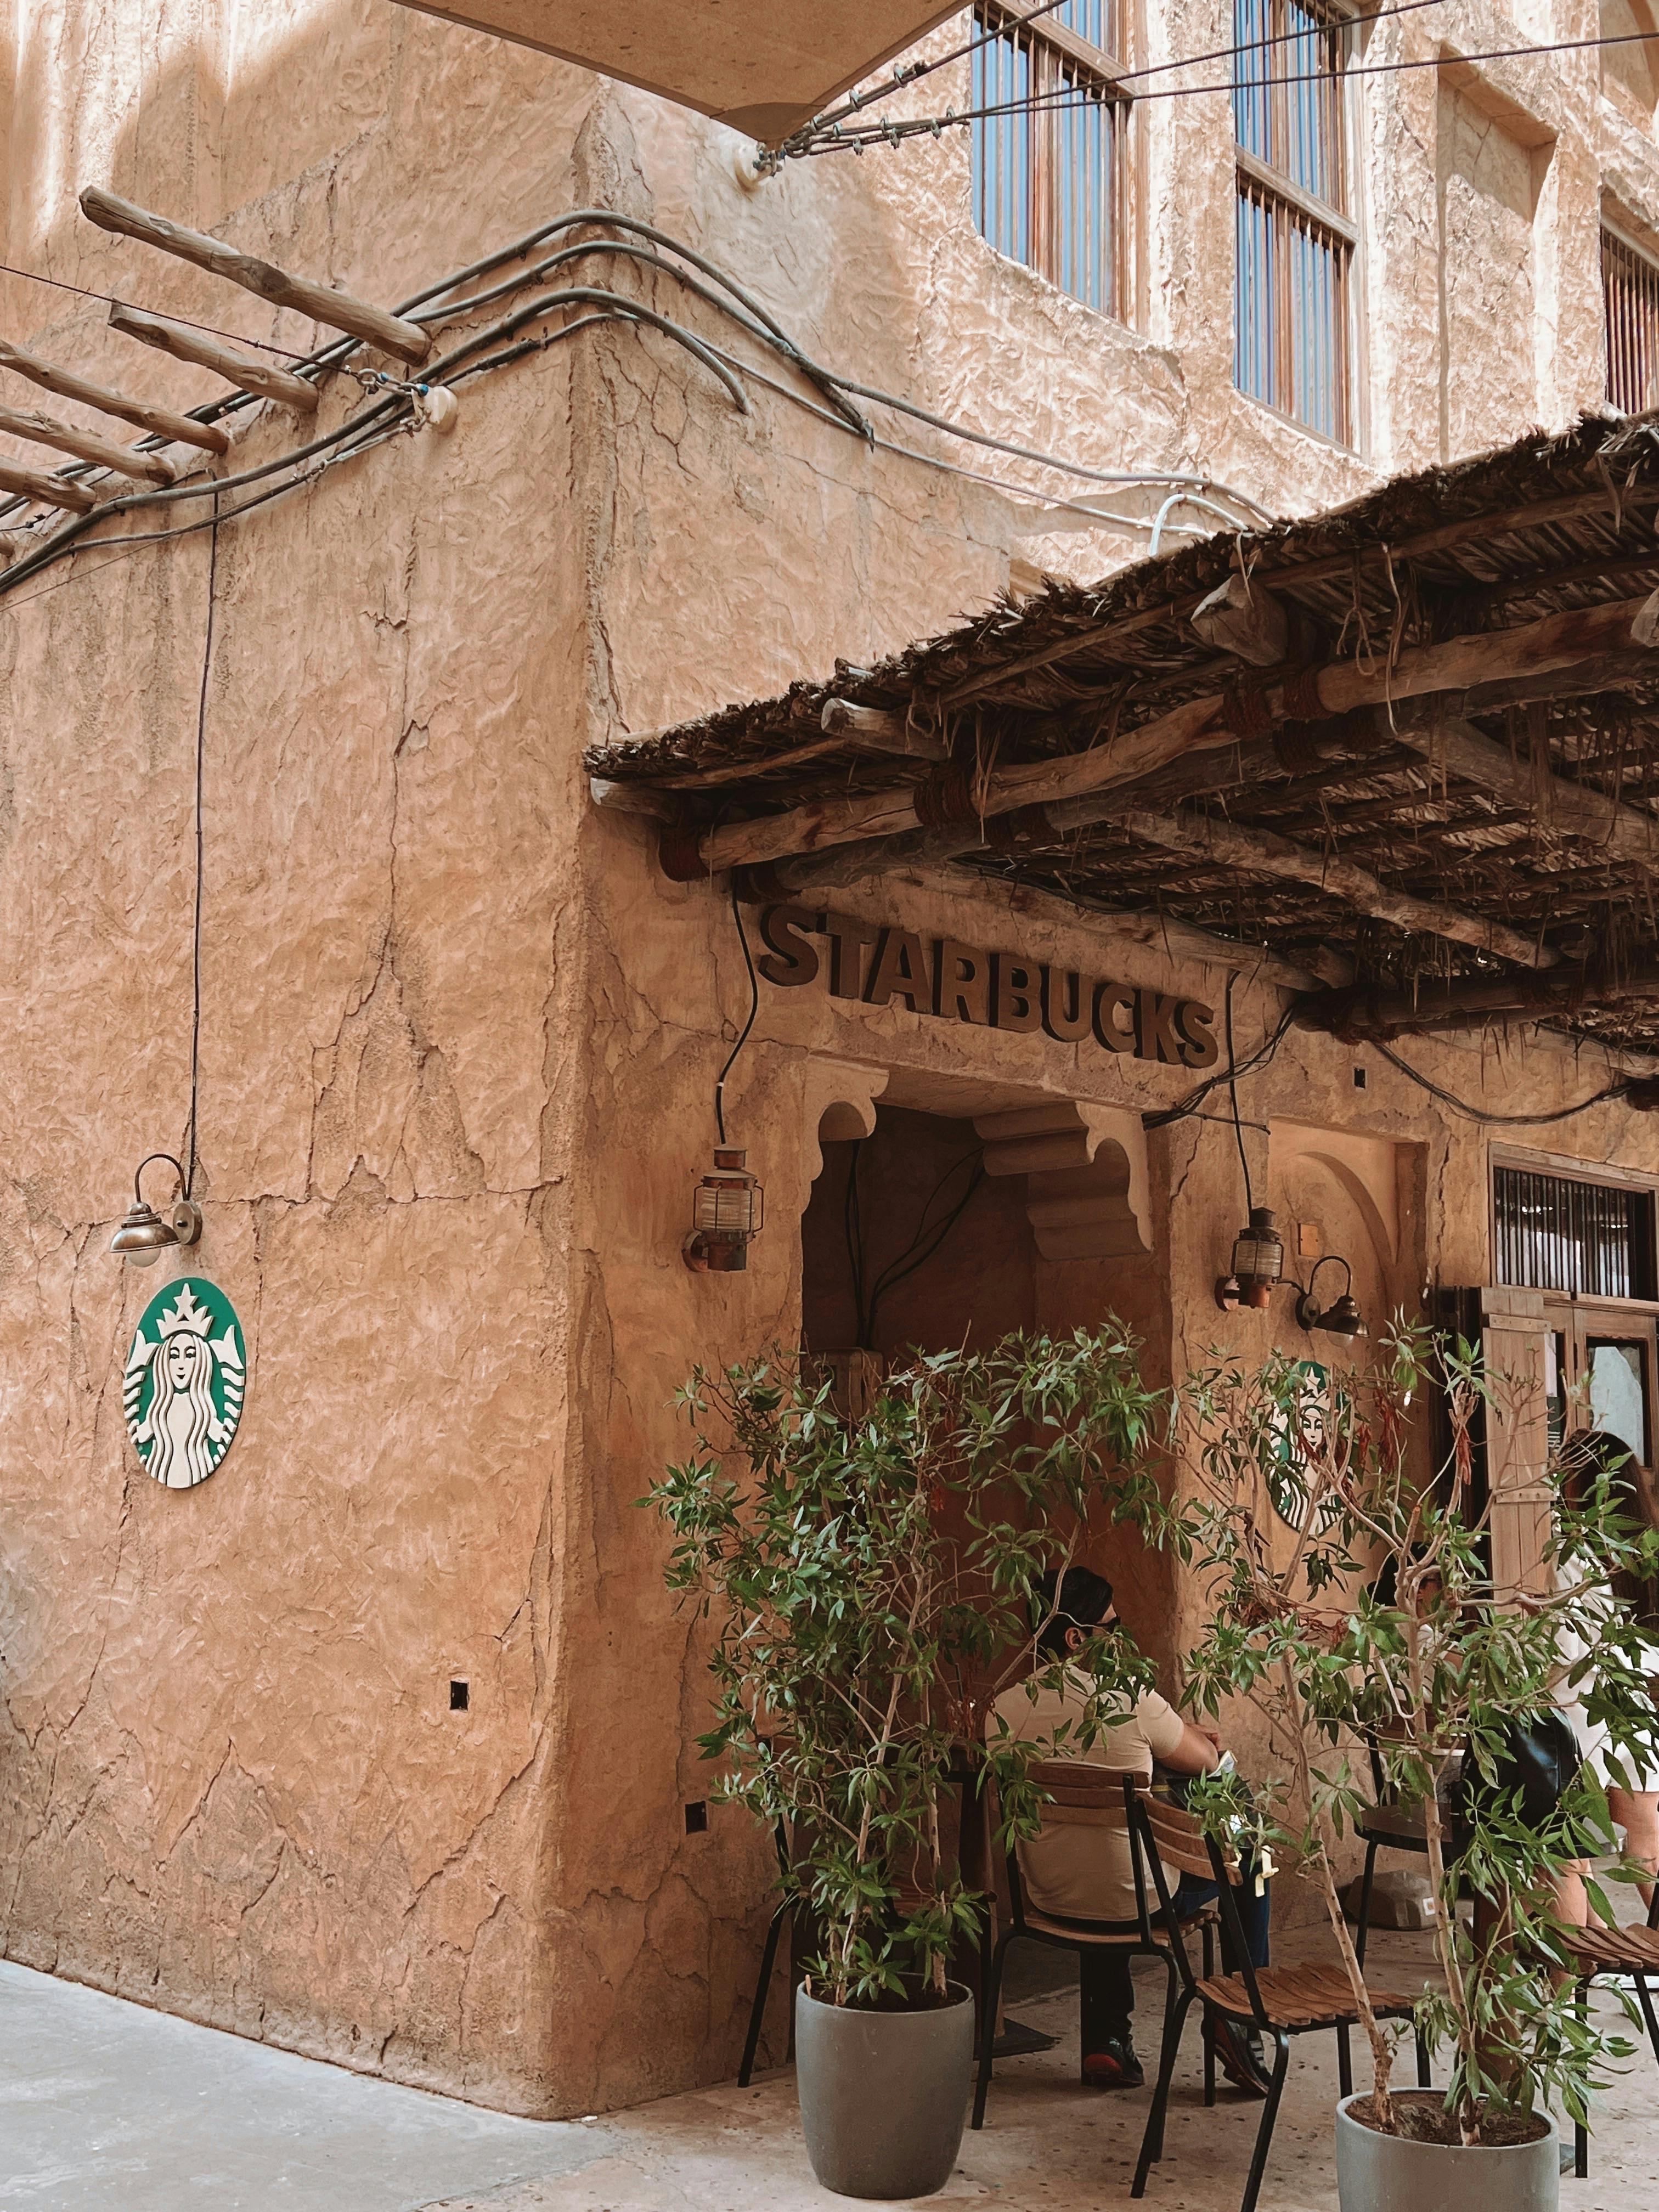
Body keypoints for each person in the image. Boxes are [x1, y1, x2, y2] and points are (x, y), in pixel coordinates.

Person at [991, 1565, 1274, 2095]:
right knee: (1253, 1856)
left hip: (1048, 1896)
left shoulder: (1003, 1713)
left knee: (1105, 1856)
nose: (1122, 1641)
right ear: (1078, 1638)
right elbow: (1210, 1762)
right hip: (1139, 1903)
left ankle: (1108, 2040)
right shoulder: (1130, 1700)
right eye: (1112, 1628)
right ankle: (1240, 2016)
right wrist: (1184, 1732)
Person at [1557, 1429, 1659, 1906]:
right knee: (1646, 1848)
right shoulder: (1645, 1552)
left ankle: (1578, 1967)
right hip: (1631, 1716)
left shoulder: (1566, 1552)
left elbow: (1566, 1648)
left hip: (1580, 1718)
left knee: (1570, 1856)